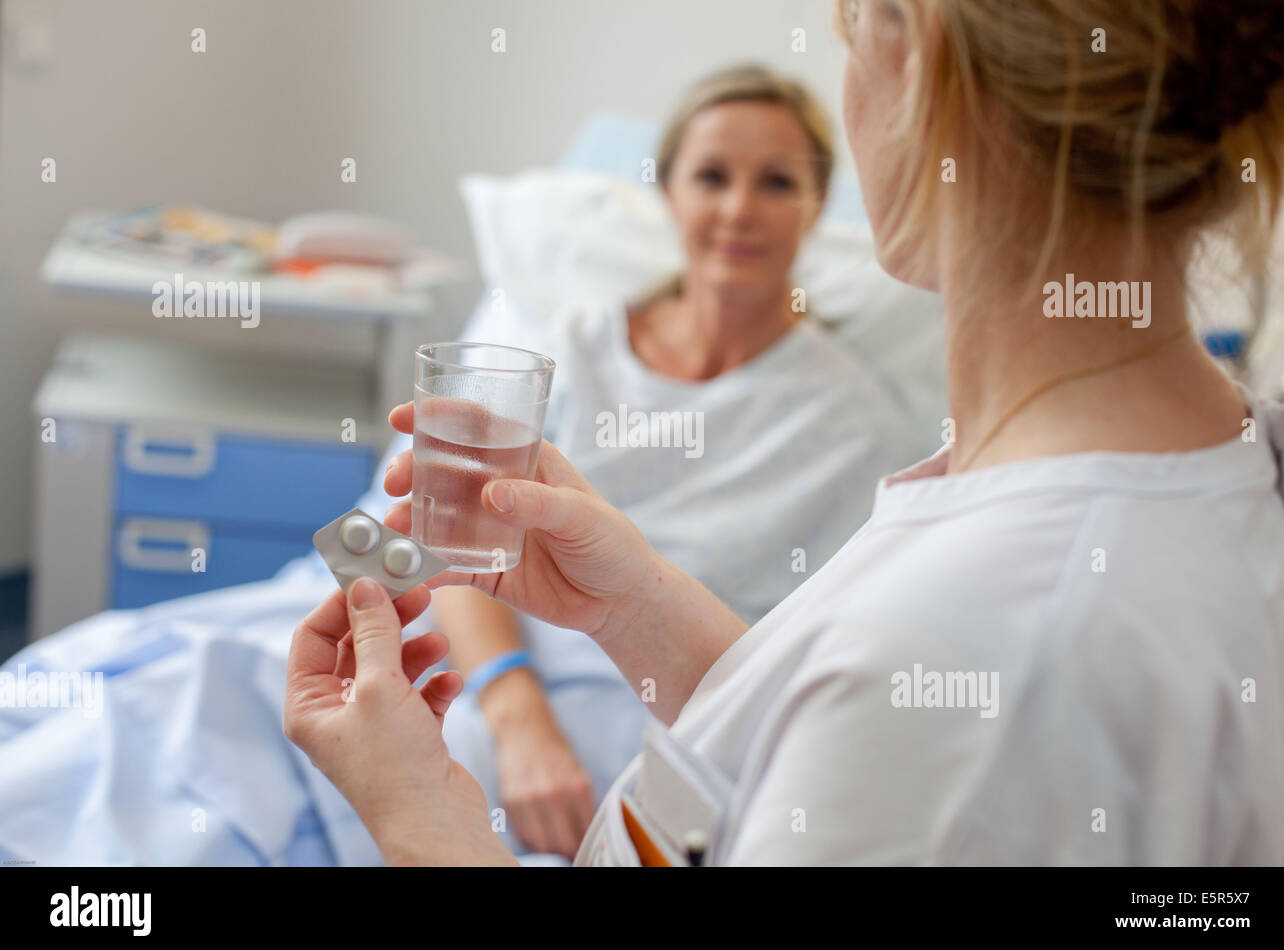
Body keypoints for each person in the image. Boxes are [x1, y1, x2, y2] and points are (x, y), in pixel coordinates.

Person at [286, 0, 1284, 865]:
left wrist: (426, 827)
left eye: (854, 30)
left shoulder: (978, 645)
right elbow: (838, 735)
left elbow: (900, 711)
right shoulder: (1221, 460)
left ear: (923, 58)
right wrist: (639, 612)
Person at [0, 65, 922, 865]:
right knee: (168, 690)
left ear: (816, 203)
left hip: (619, 691)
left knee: (244, 775)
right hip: (475, 635)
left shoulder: (848, 425)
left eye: (777, 182)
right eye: (712, 175)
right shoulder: (561, 352)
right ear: (668, 193)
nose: (737, 209)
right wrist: (514, 707)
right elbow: (449, 545)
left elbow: (797, 654)